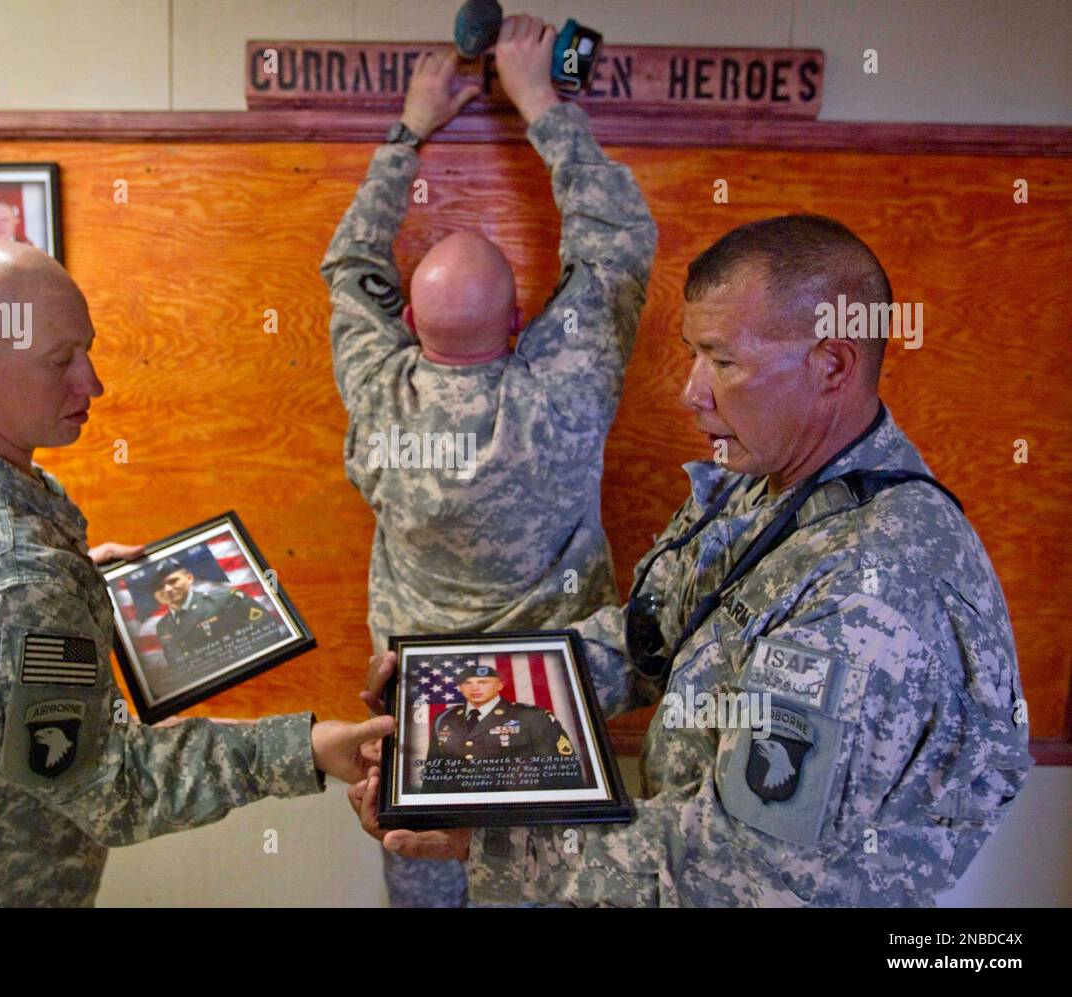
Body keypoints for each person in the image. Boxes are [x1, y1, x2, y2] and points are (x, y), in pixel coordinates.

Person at [353, 214, 1031, 907]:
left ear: (831, 364)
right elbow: (648, 636)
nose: (691, 391)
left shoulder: (870, 591)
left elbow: (738, 868)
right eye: (693, 354)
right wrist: (456, 690)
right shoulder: (760, 480)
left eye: (723, 361)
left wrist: (487, 840)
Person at [0, 238, 391, 907]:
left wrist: (72, 587)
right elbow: (113, 788)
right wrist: (308, 744)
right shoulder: (13, 575)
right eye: (60, 360)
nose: (92, 382)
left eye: (86, 349)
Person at [320, 14, 655, 906]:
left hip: (423, 723)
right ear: (519, 327)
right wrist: (540, 100)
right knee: (569, 887)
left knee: (428, 887)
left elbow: (351, 263)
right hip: (555, 713)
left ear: (408, 328)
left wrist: (410, 128)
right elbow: (615, 244)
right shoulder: (565, 389)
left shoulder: (378, 396)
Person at [421, 663, 582, 793]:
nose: (474, 688)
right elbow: (434, 771)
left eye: (483, 682)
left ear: (500, 685)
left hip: (515, 807)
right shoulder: (445, 718)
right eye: (467, 683)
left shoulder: (532, 717)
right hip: (457, 809)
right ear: (460, 687)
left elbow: (561, 769)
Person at [151, 557, 283, 673]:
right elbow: (177, 666)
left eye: (173, 581)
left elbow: (268, 633)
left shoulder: (225, 600)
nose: (167, 589)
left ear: (189, 578)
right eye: (161, 586)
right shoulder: (163, 626)